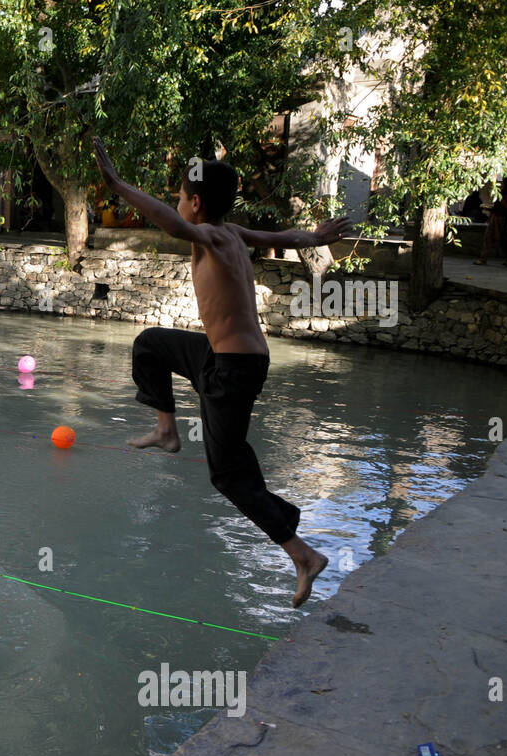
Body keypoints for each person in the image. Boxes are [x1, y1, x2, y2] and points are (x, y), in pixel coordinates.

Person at [94, 137, 349, 608]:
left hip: (233, 370)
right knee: (149, 344)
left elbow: (168, 223)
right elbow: (284, 239)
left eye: (179, 196)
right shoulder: (235, 233)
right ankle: (166, 430)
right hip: (223, 357)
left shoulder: (211, 234)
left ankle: (302, 555)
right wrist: (314, 237)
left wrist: (118, 185)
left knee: (229, 476)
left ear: (195, 203)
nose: (176, 204)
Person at [474, 179, 507, 266]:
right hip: (495, 217)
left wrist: (500, 199)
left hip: (503, 219)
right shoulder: (503, 193)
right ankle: (483, 258)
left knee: (504, 239)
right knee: (488, 237)